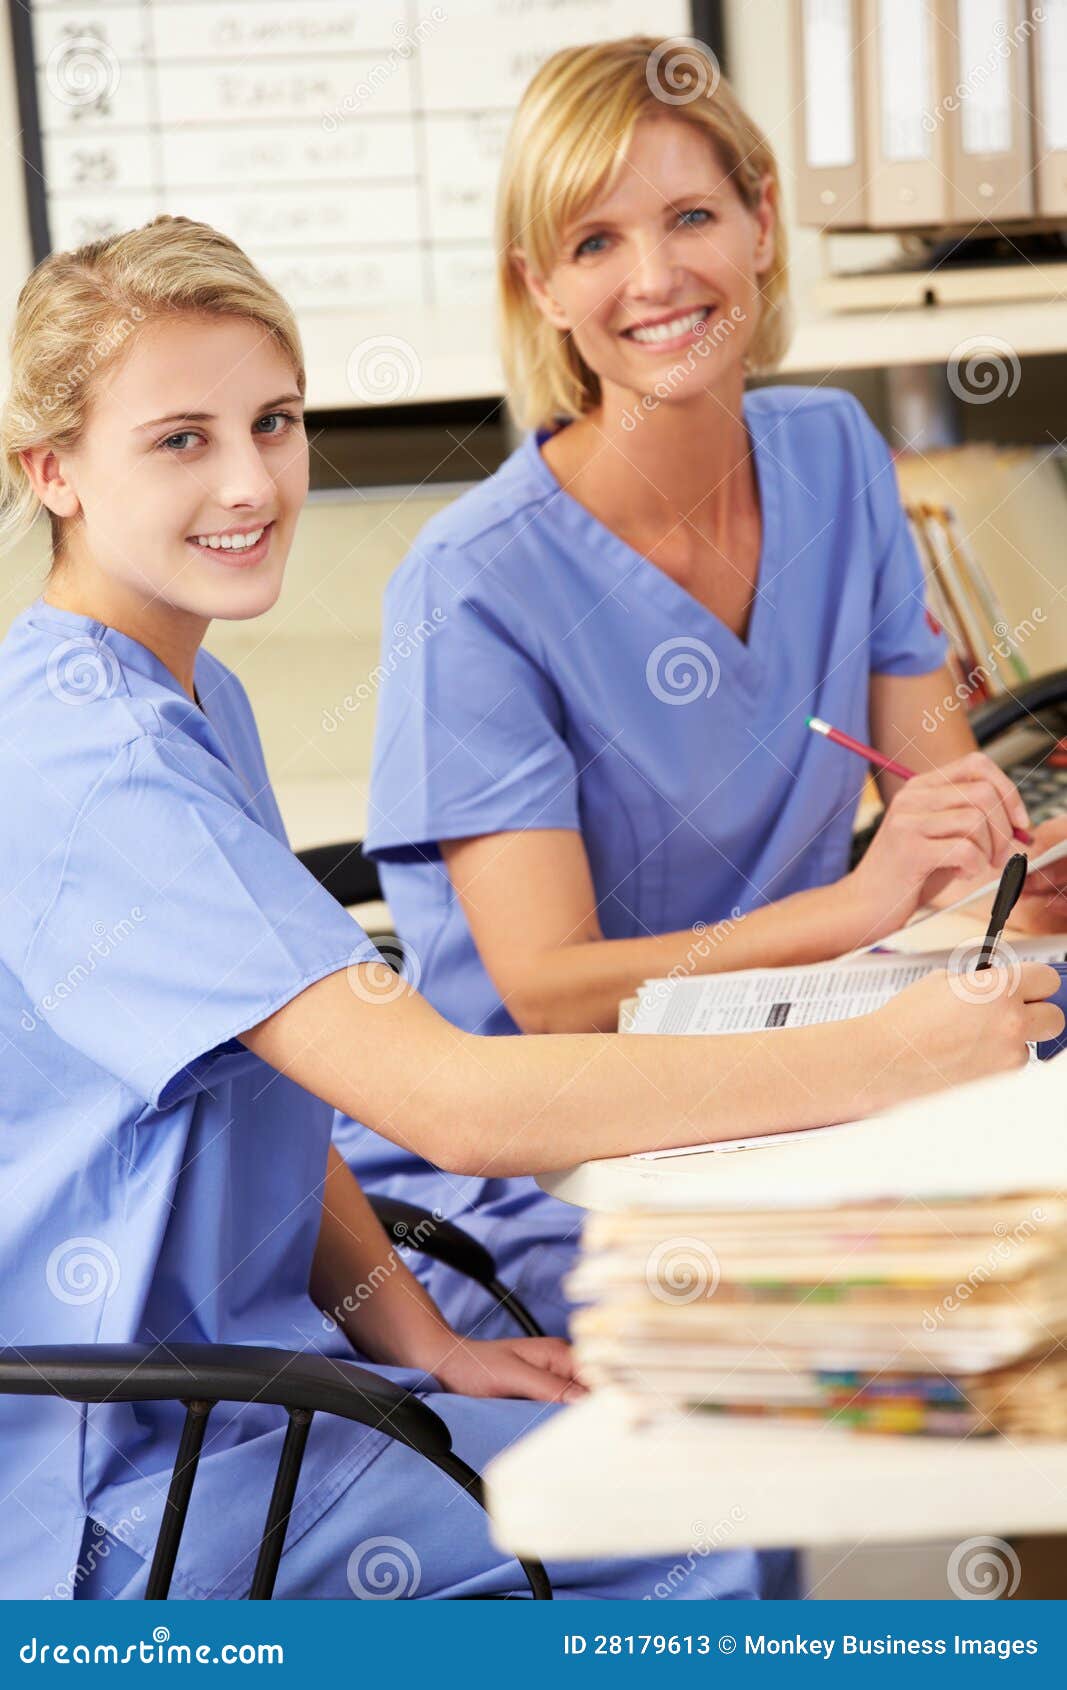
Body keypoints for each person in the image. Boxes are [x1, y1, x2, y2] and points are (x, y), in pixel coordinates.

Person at [334, 36, 1067, 1340]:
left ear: (763, 223)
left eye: (690, 216)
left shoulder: (835, 453)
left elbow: (938, 806)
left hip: (784, 1087)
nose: (658, 276)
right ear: (540, 286)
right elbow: (554, 990)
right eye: (596, 241)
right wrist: (862, 897)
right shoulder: (474, 585)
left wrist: (1003, 865)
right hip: (550, 1172)